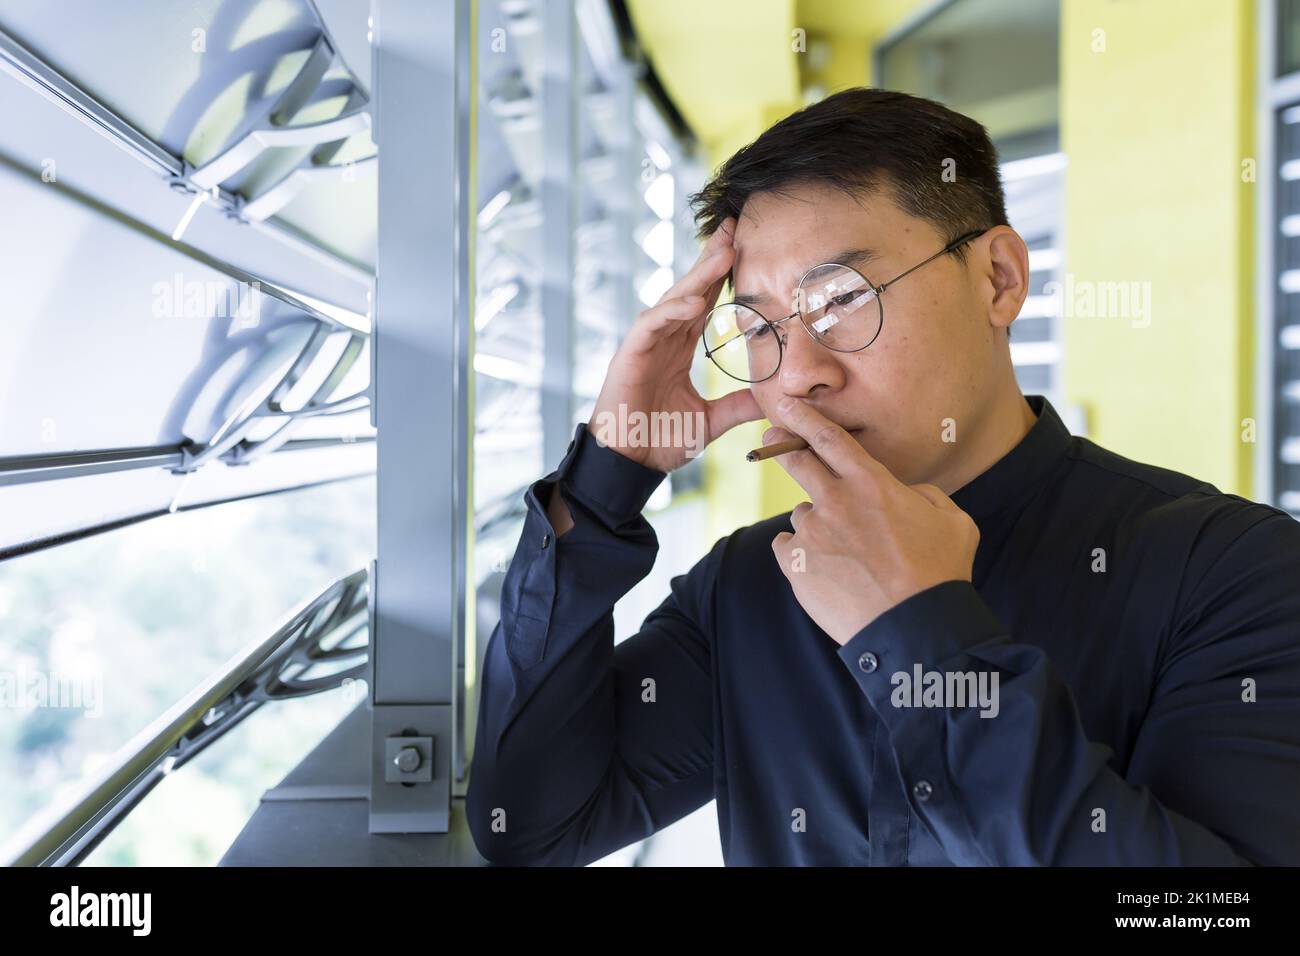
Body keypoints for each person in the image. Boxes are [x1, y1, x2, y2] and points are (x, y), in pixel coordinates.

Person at [466, 87, 1300, 866]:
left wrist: (920, 633)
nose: (795, 376)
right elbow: (534, 825)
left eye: (838, 299)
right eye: (757, 327)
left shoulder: (1233, 572)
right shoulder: (751, 587)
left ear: (999, 279)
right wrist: (610, 474)